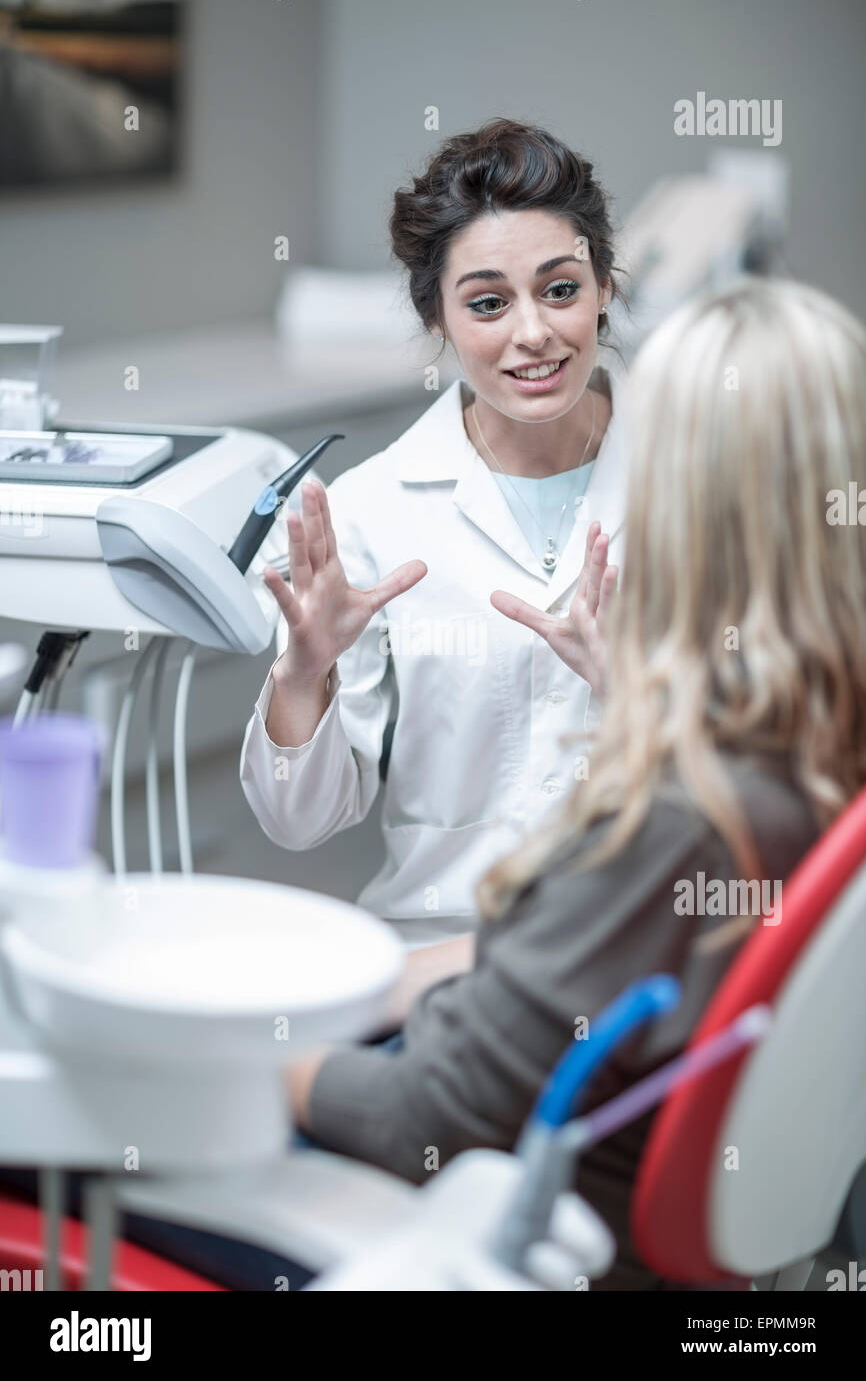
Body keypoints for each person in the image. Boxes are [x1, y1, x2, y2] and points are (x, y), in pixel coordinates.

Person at [286, 276, 866, 1290]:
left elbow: (421, 1117)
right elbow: (636, 955)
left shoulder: (682, 811)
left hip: (538, 1228)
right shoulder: (813, 745)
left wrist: (222, 1060)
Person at [240, 119, 628, 949]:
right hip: (445, 956)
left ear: (604, 286)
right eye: (488, 303)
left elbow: (766, 773)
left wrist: (639, 694)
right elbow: (298, 822)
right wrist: (303, 676)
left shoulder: (697, 479)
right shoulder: (374, 511)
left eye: (560, 289)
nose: (533, 333)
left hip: (635, 952)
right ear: (439, 319)